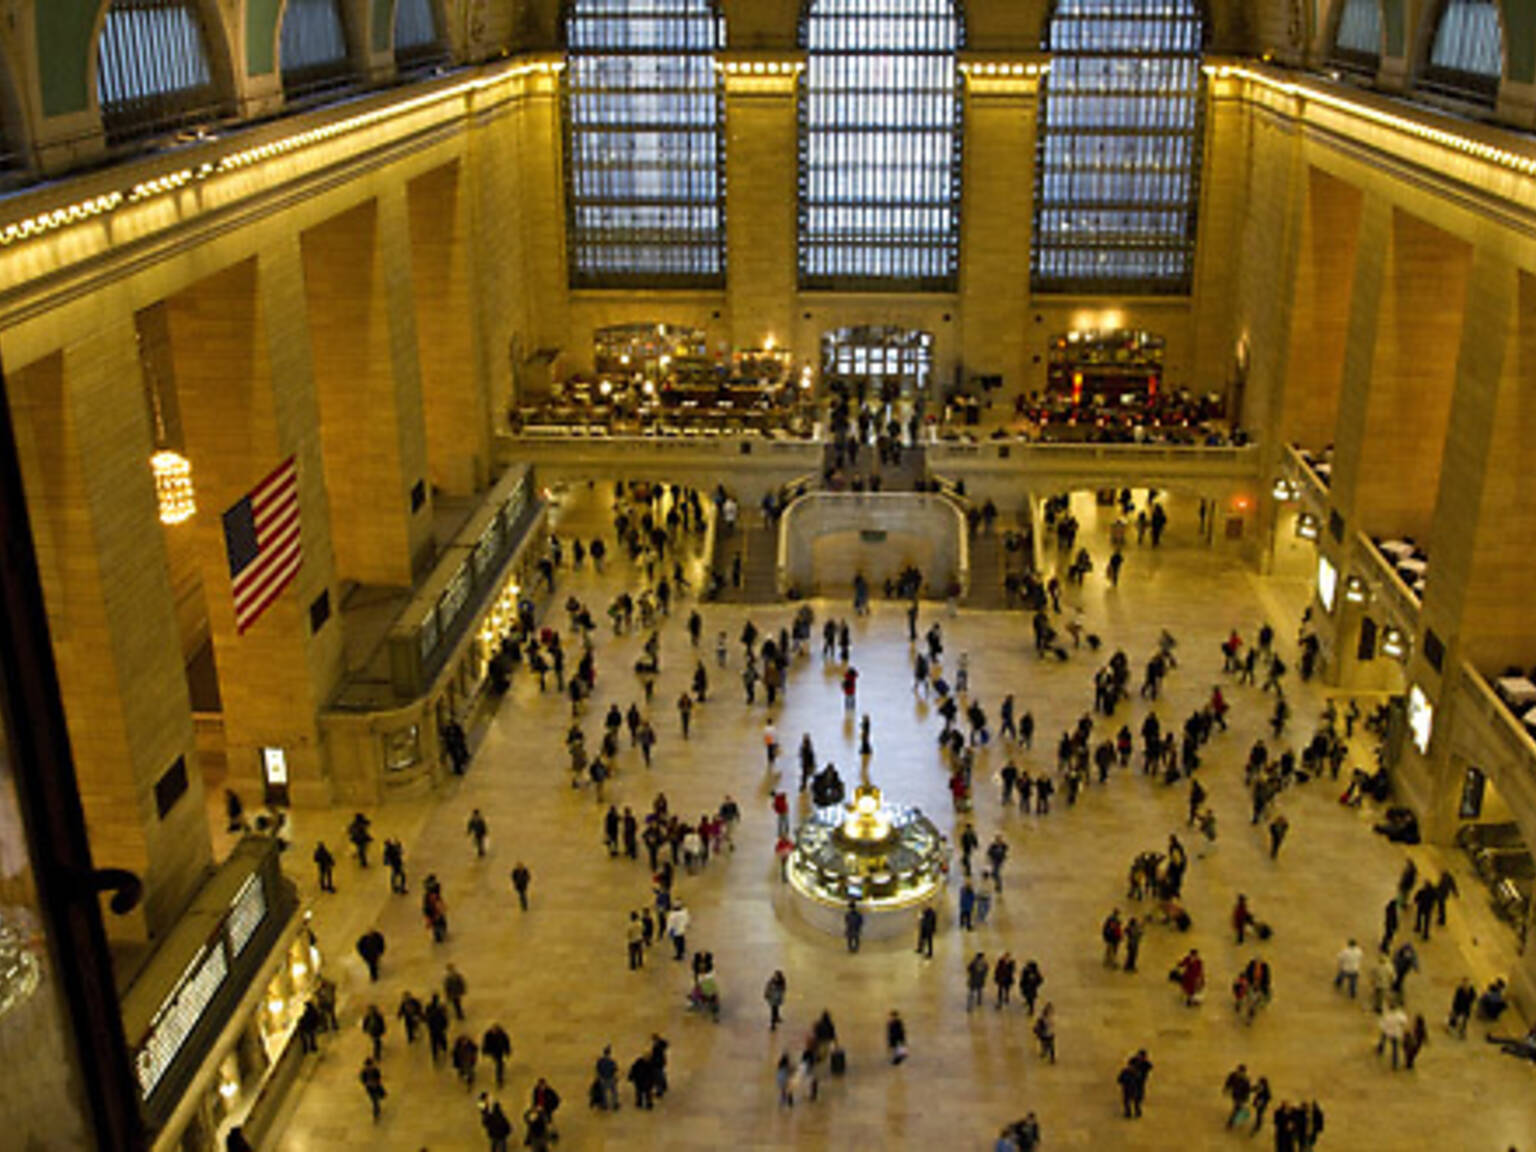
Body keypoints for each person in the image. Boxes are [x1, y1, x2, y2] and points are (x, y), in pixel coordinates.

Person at [1223, 1063, 1251, 1128]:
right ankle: (1231, 1122)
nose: (1240, 1074)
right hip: (1236, 1095)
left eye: (1242, 1072)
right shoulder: (1233, 1075)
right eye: (1239, 1072)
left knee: (1237, 1109)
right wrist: (1226, 1089)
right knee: (1237, 1109)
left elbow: (1247, 1090)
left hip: (1241, 1097)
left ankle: (1231, 1123)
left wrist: (1246, 1099)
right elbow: (1228, 1082)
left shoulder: (1246, 1080)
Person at [359, 1057, 386, 1121]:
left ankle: (376, 1112)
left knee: (375, 1100)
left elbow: (363, 1080)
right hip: (372, 1087)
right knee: (375, 1101)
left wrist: (368, 1083)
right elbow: (378, 1077)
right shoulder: (372, 1070)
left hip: (372, 1087)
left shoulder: (366, 1071)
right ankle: (376, 1112)